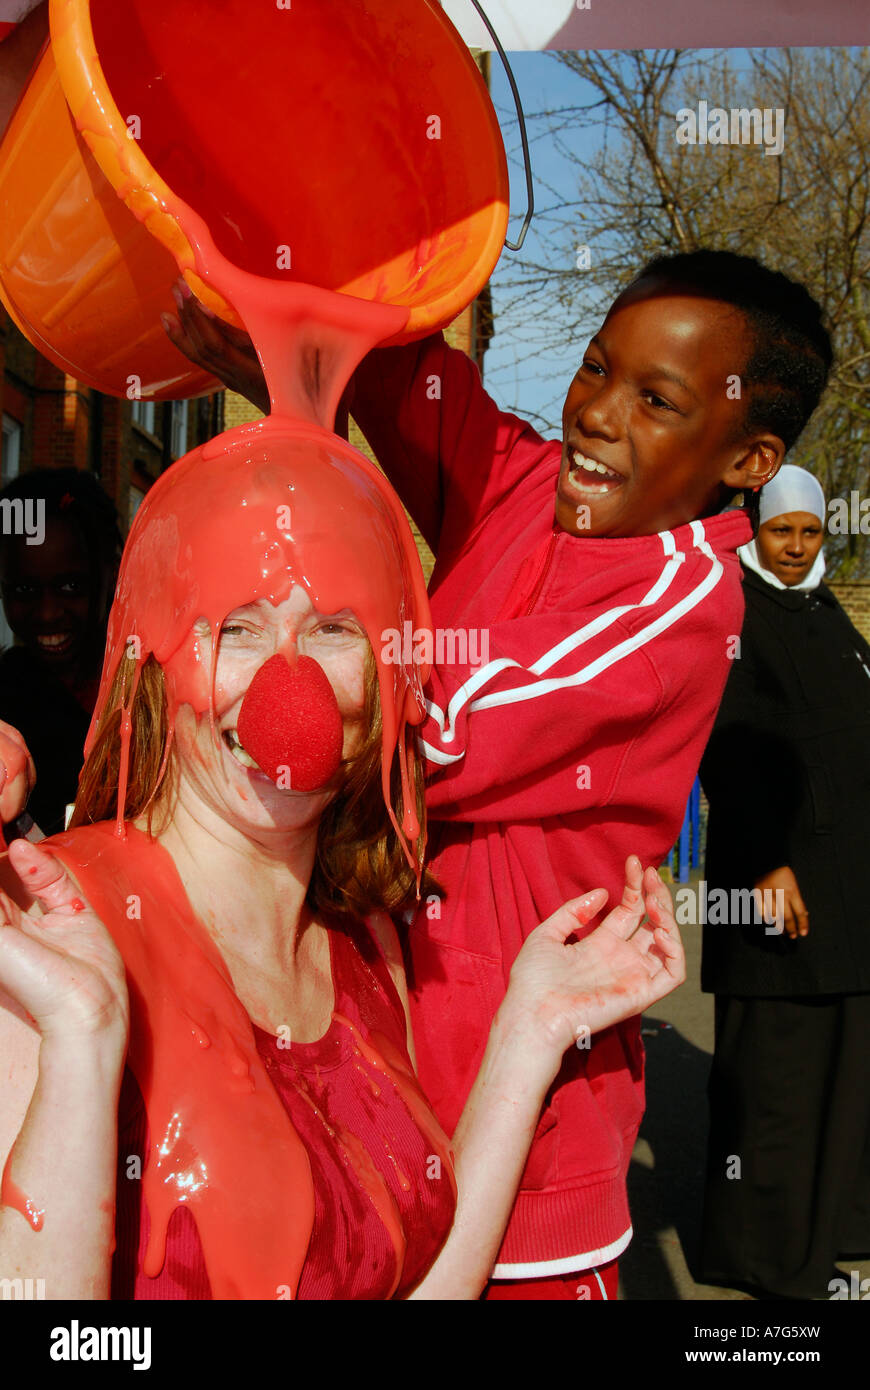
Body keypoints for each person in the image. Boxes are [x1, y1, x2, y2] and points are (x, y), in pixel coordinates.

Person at [165, 248, 833, 1298]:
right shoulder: (524, 481)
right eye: (597, 366)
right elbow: (394, 368)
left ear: (748, 459)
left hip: (528, 1155)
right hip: (393, 1079)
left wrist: (222, 671)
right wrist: (279, 322)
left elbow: (428, 728)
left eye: (655, 399)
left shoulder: (674, 614)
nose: (598, 413)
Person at [0, 432, 684, 1300]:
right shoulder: (50, 928)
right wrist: (86, 1027)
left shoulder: (365, 941)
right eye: (238, 629)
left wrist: (533, 1026)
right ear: (155, 664)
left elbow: (420, 1290)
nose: (293, 690)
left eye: (333, 631)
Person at [698, 464, 870, 1300]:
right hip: (775, 888)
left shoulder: (825, 611)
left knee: (841, 1071)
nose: (797, 548)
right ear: (753, 531)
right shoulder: (735, 614)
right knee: (777, 1084)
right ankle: (765, 1254)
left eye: (808, 532)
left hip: (846, 895)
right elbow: (727, 744)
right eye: (781, 533)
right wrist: (768, 860)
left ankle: (835, 1227)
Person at [0, 469, 122, 836]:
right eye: (24, 589)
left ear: (113, 573)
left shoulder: (155, 687)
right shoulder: (6, 703)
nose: (48, 612)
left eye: (71, 586)